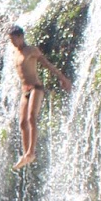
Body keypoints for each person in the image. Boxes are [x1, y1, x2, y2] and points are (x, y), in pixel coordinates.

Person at [8, 25, 72, 171]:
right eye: (10, 40)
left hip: (36, 87)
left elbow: (47, 64)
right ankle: (26, 155)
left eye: (14, 39)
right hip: (24, 90)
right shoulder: (15, 53)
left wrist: (63, 79)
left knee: (31, 117)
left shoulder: (31, 50)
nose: (12, 42)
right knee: (22, 123)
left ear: (21, 37)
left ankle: (31, 151)